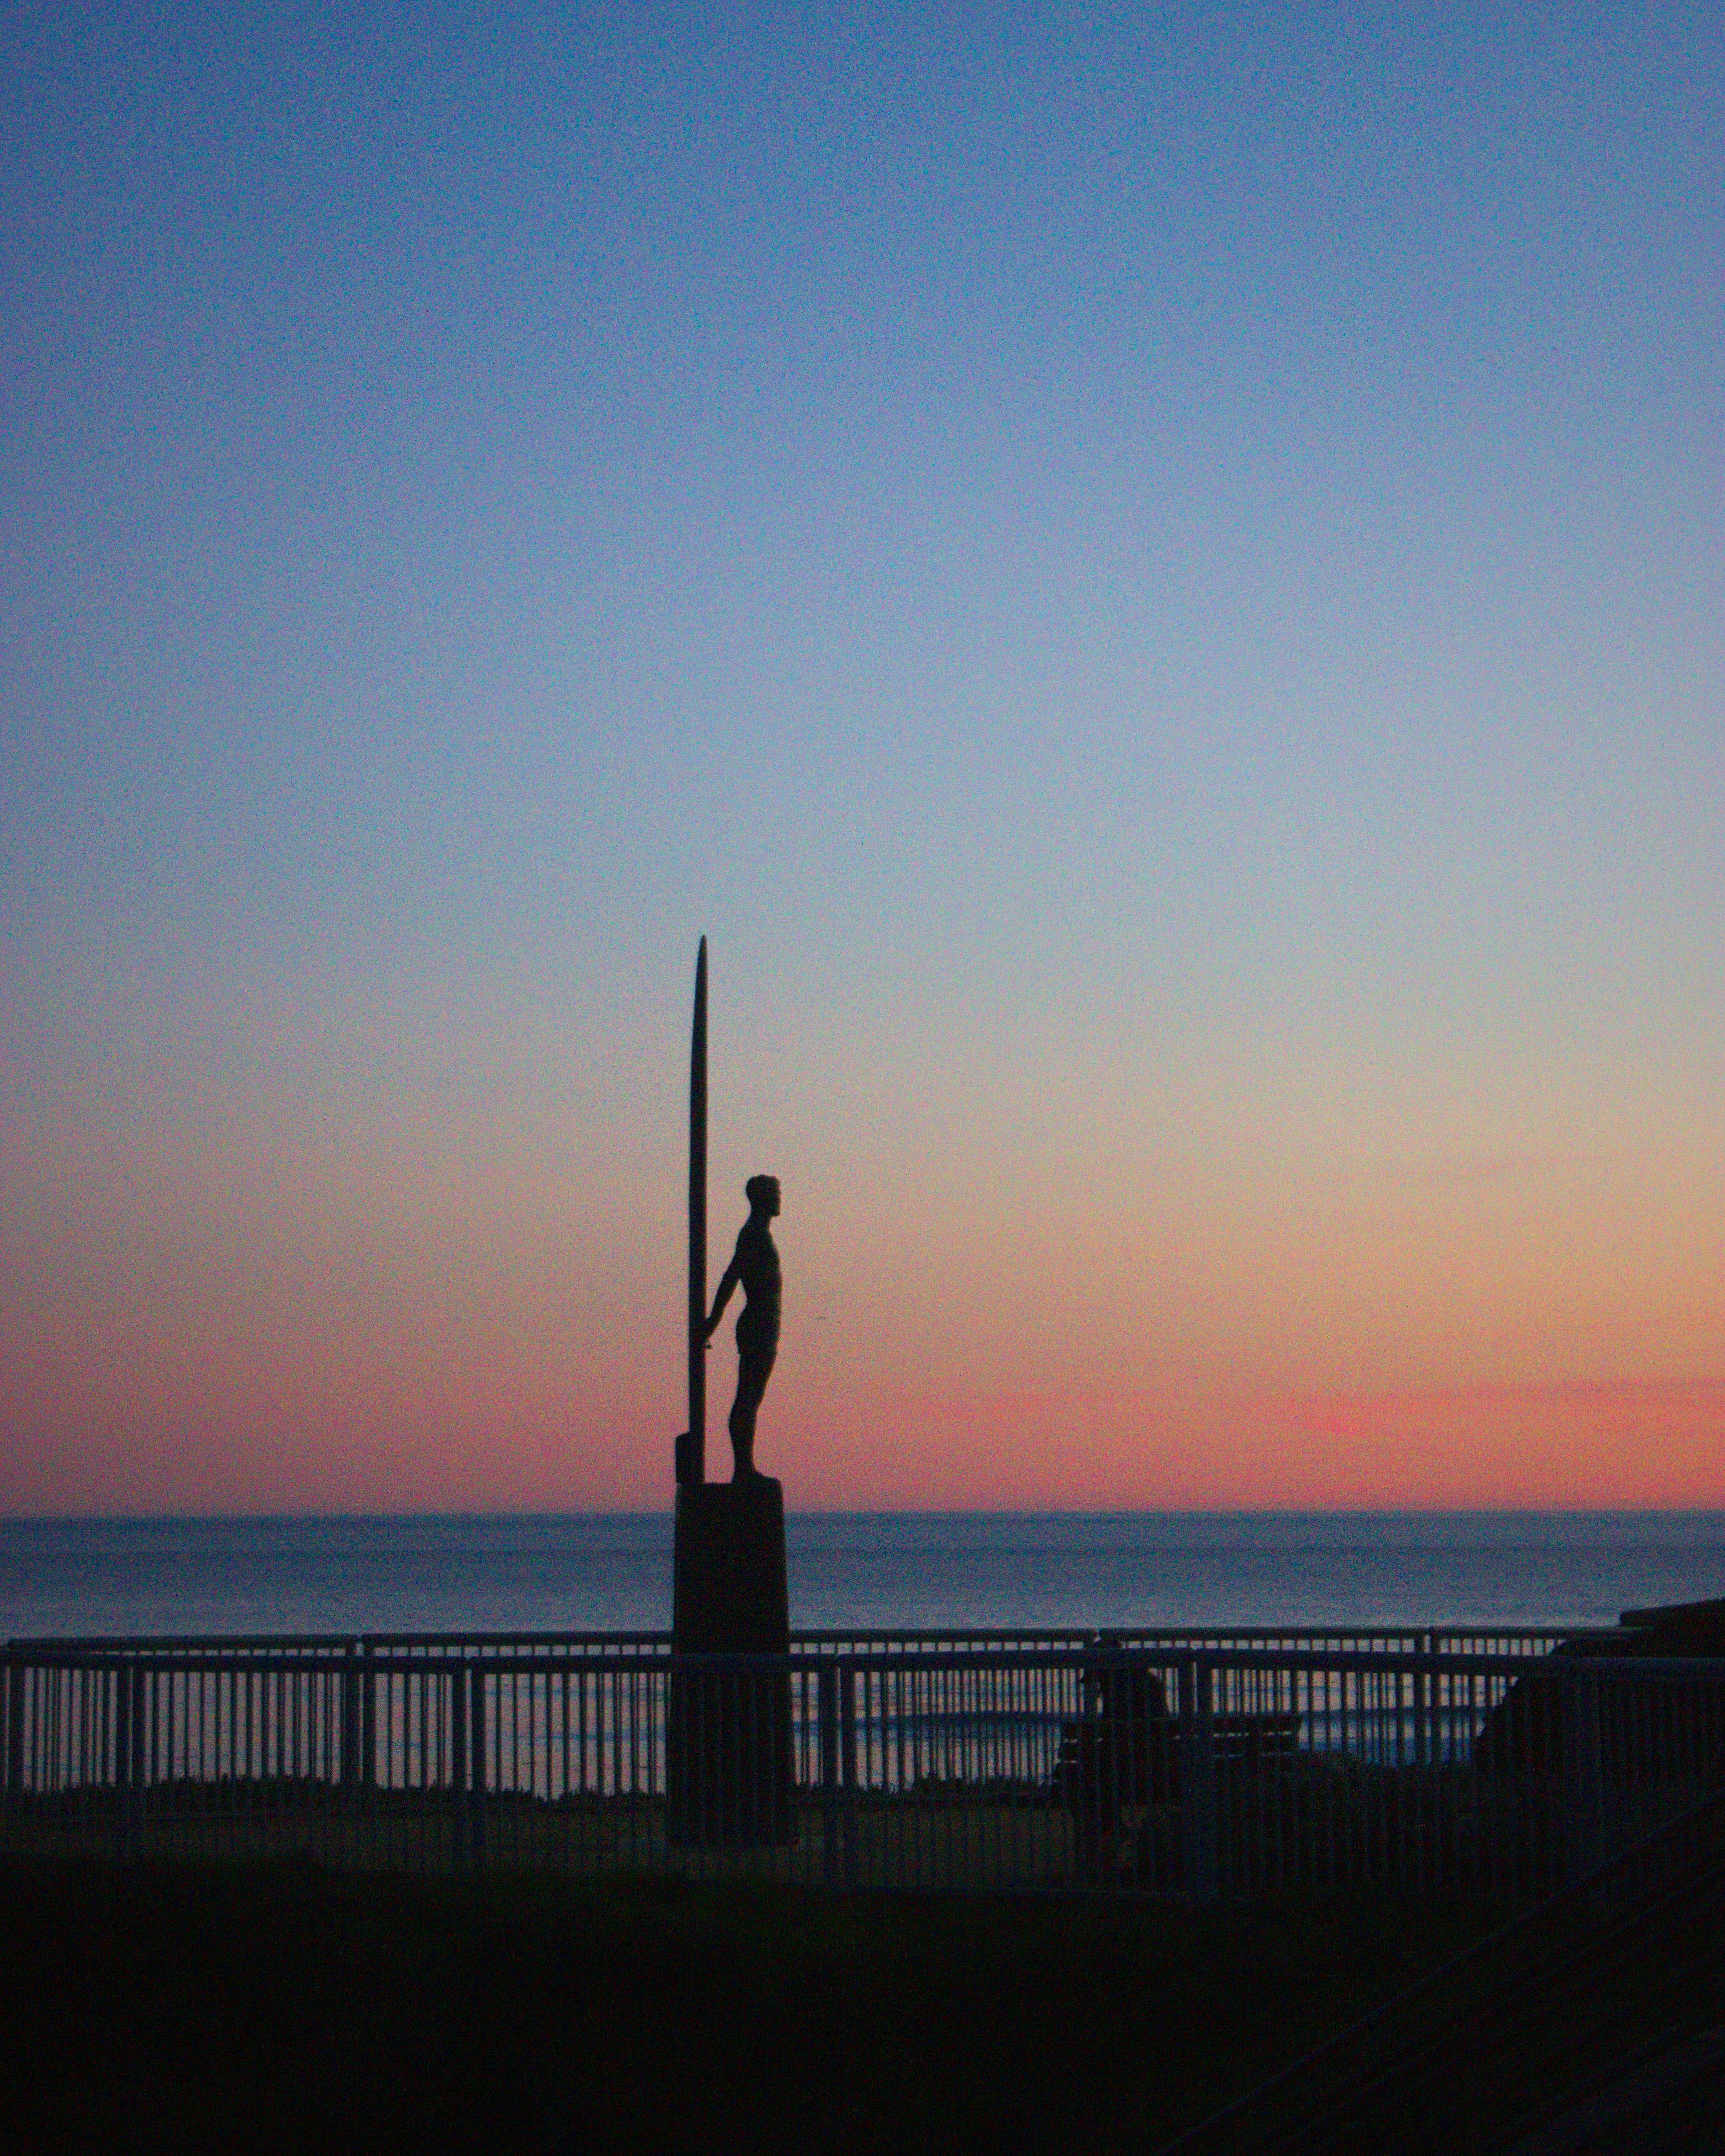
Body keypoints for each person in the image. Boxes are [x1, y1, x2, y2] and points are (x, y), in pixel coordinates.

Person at [705, 1175, 781, 1480]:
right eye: (775, 1193)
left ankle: (745, 1466)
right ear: (761, 1198)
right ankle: (743, 1468)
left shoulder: (761, 1234)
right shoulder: (753, 1235)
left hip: (766, 1327)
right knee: (748, 1397)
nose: (779, 1199)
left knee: (753, 1398)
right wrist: (714, 1320)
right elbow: (732, 1276)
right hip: (757, 1326)